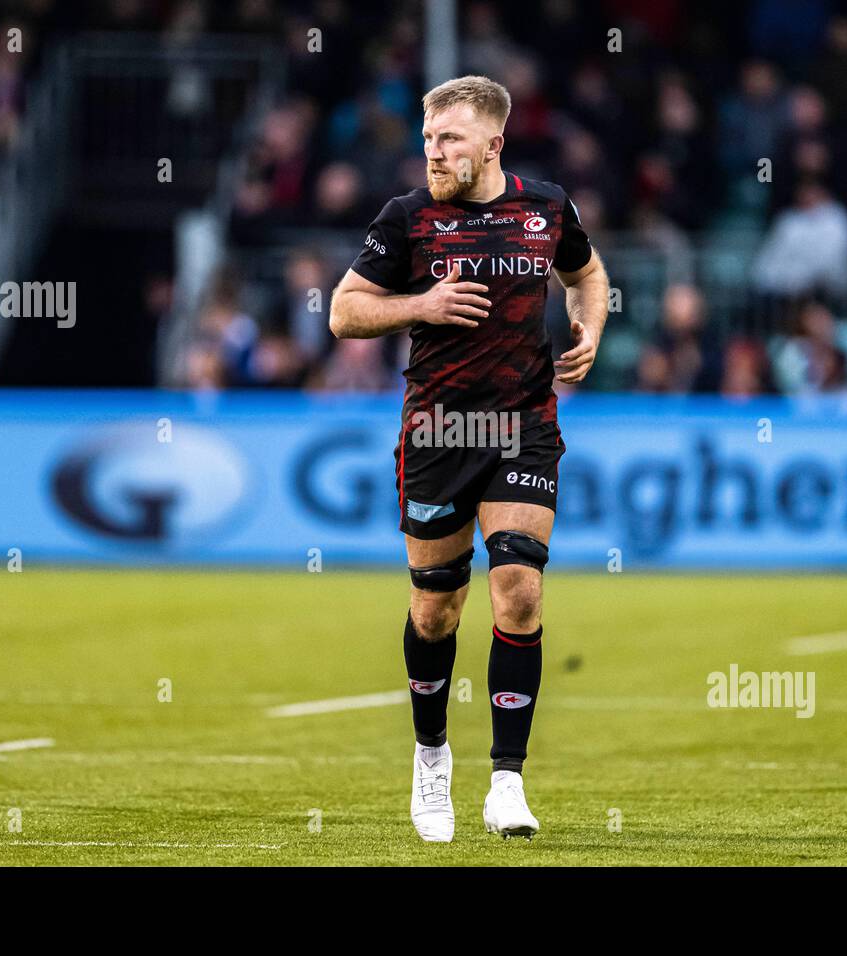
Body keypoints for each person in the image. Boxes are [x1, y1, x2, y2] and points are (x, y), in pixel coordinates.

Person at [329, 75, 609, 842]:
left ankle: (508, 782)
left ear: (493, 143)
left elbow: (585, 270)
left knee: (518, 588)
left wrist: (590, 327)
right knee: (436, 608)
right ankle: (430, 760)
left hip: (522, 426)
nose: (434, 153)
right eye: (427, 139)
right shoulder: (408, 220)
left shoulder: (545, 207)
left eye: (448, 138)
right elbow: (343, 310)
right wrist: (419, 305)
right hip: (438, 437)